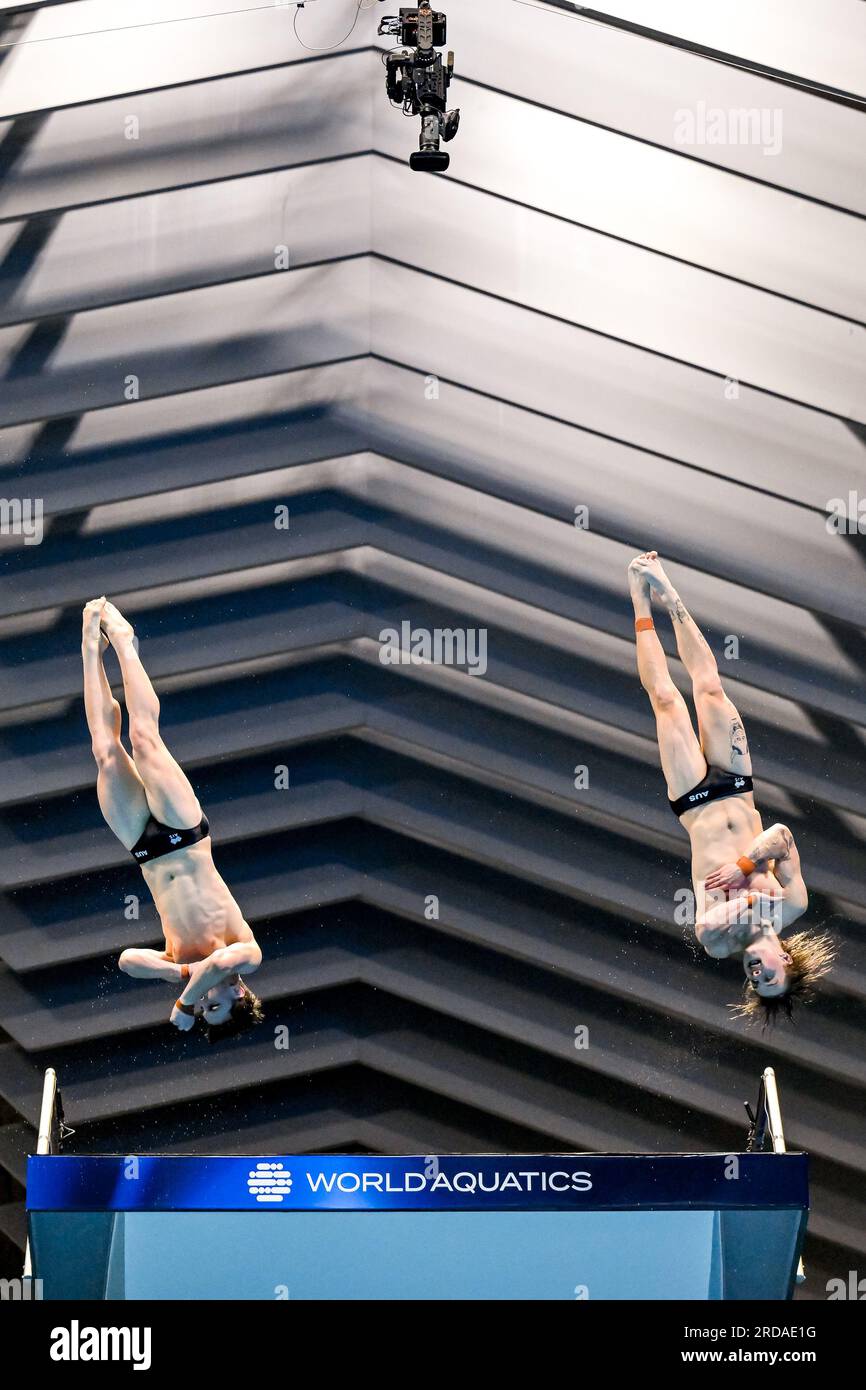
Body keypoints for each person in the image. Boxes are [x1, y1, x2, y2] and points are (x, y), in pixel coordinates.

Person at [628, 552, 834, 1024]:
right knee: (710, 688)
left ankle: (640, 600)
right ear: (787, 961)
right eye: (769, 976)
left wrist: (747, 896)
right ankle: (664, 588)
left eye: (754, 981)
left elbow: (706, 922)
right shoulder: (794, 904)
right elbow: (781, 835)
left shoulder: (720, 944)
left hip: (694, 802)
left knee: (664, 700)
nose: (756, 974)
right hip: (736, 785)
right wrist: (746, 865)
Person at [81, 597, 263, 1040]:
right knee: (143, 739)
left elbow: (127, 961)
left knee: (106, 754)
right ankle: (124, 642)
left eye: (204, 1009)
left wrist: (180, 976)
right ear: (241, 994)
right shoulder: (246, 956)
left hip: (144, 848)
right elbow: (219, 964)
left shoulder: (183, 968)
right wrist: (183, 1002)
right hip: (185, 834)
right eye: (213, 1005)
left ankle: (90, 650)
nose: (203, 1002)